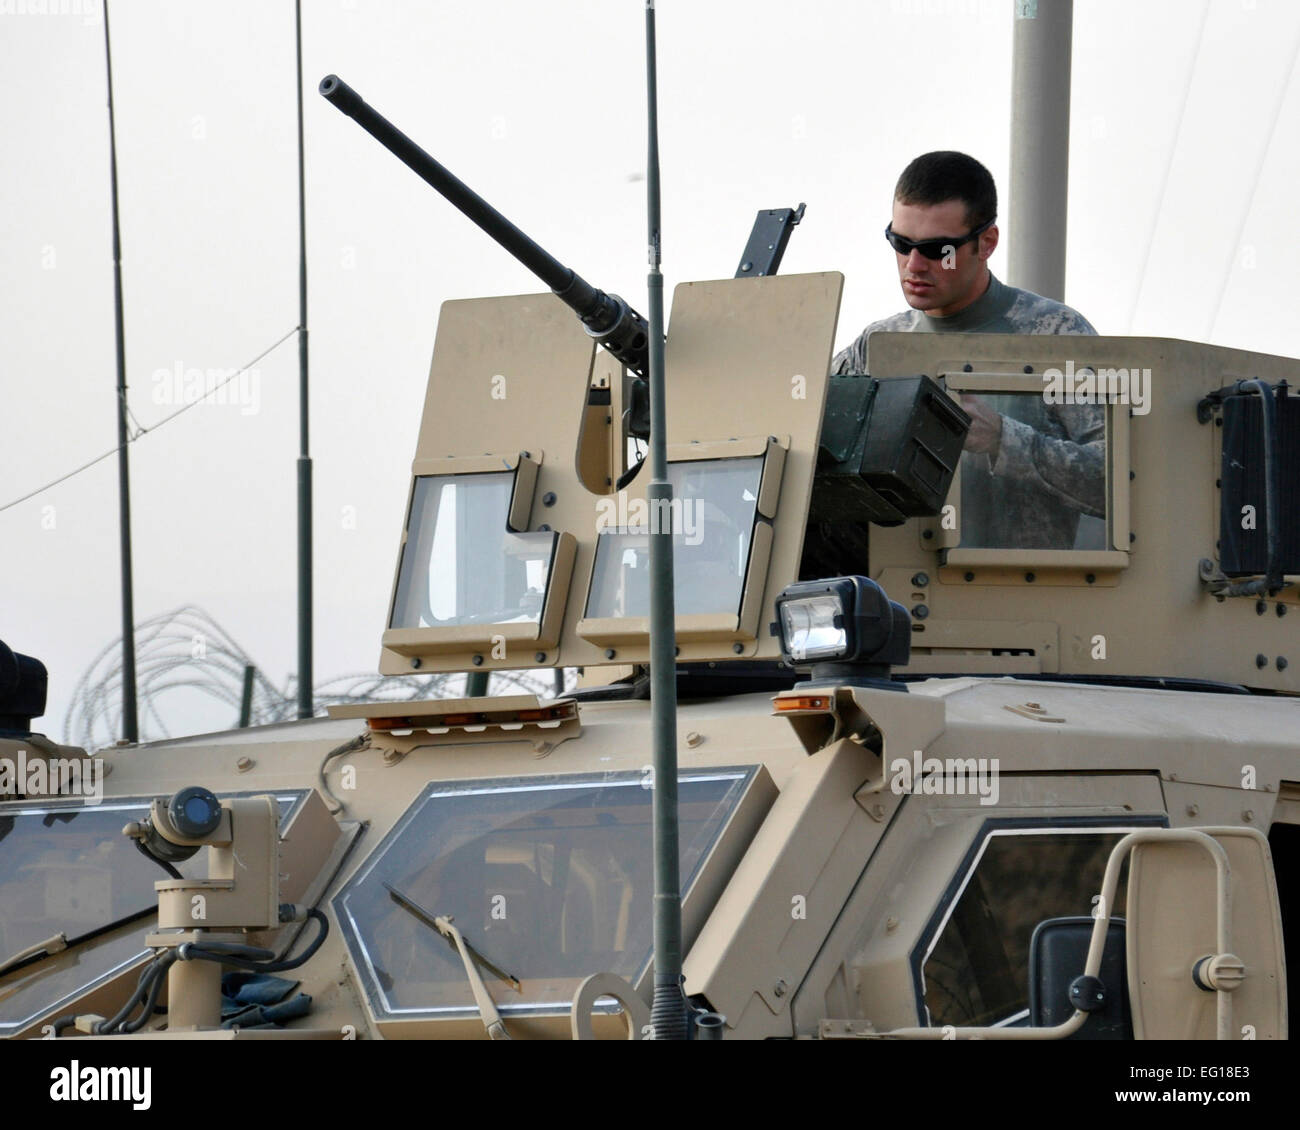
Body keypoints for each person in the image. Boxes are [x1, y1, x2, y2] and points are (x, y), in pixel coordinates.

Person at [832, 151, 1105, 551]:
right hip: (898, 603)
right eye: (900, 243)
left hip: (1020, 597)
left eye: (937, 250)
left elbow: (1121, 480)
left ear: (986, 242)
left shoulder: (1056, 336)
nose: (914, 265)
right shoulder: (876, 347)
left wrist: (1004, 440)